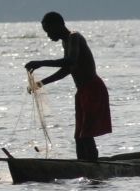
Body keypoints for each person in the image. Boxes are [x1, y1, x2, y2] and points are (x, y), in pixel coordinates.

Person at [24, 12, 111, 160]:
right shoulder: (66, 42)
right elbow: (66, 70)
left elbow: (70, 61)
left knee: (86, 134)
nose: (48, 35)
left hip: (93, 89)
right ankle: (82, 165)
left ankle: (93, 167)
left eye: (49, 31)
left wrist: (40, 62)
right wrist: (40, 83)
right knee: (79, 135)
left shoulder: (74, 37)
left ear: (58, 25)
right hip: (82, 92)